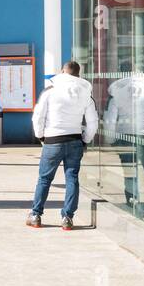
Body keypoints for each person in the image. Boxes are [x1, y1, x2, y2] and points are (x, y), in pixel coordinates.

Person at [27, 61, 97, 230]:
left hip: (52, 141)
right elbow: (93, 122)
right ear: (78, 74)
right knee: (72, 178)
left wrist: (40, 136)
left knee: (44, 179)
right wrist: (85, 139)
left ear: (62, 72)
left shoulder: (49, 92)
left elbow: (38, 117)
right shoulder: (86, 94)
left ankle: (36, 215)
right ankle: (67, 218)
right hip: (74, 140)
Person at [104, 68, 144, 221]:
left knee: (130, 175)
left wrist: (112, 140)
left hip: (126, 138)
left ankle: (134, 206)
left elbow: (110, 120)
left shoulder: (117, 94)